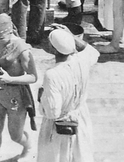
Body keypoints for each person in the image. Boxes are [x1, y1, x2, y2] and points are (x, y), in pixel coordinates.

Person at [36, 26, 99, 162]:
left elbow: (52, 112)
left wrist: (42, 98)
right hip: (80, 117)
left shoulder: (52, 75)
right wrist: (71, 36)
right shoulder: (82, 60)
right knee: (80, 153)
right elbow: (93, 52)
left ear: (53, 49)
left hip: (59, 126)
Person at [0, 14, 37, 162]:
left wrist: (10, 79)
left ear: (10, 31)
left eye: (0, 38)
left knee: (16, 135)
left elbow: (33, 76)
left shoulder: (22, 49)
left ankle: (28, 147)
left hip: (16, 96)